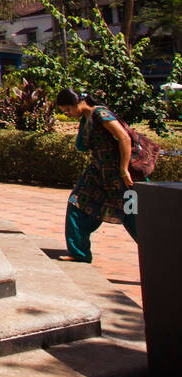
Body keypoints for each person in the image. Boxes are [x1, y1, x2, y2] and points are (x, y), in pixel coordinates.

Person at [54, 88, 138, 262]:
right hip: (97, 174)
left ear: (78, 102)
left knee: (134, 216)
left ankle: (161, 253)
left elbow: (124, 138)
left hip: (118, 175)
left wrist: (124, 169)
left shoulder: (100, 113)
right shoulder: (86, 119)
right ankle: (80, 253)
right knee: (77, 204)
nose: (68, 114)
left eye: (68, 110)